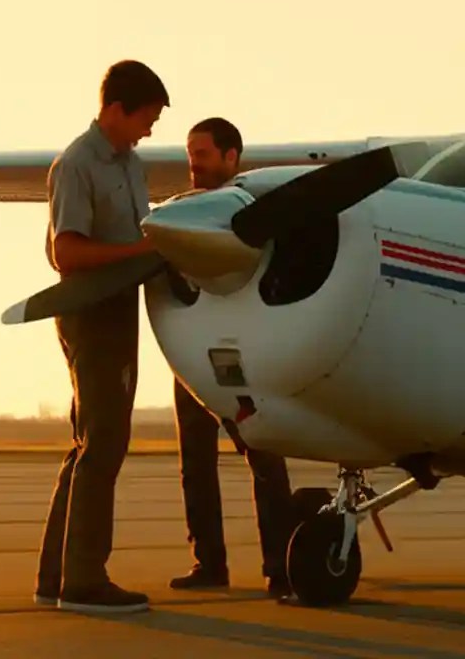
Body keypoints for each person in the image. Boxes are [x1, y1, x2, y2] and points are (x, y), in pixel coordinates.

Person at [33, 59, 168, 614]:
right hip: (91, 313)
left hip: (120, 310)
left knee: (90, 442)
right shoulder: (77, 165)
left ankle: (55, 576)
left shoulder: (130, 164)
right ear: (116, 109)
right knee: (104, 443)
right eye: (147, 118)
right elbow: (67, 254)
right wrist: (142, 251)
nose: (150, 130)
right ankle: (85, 581)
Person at [167, 116, 297, 599]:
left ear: (231, 157)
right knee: (195, 463)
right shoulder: (182, 211)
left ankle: (281, 567)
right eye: (189, 156)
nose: (193, 166)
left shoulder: (258, 209)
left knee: (262, 454)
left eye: (202, 155)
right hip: (190, 355)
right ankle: (208, 562)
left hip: (240, 358)